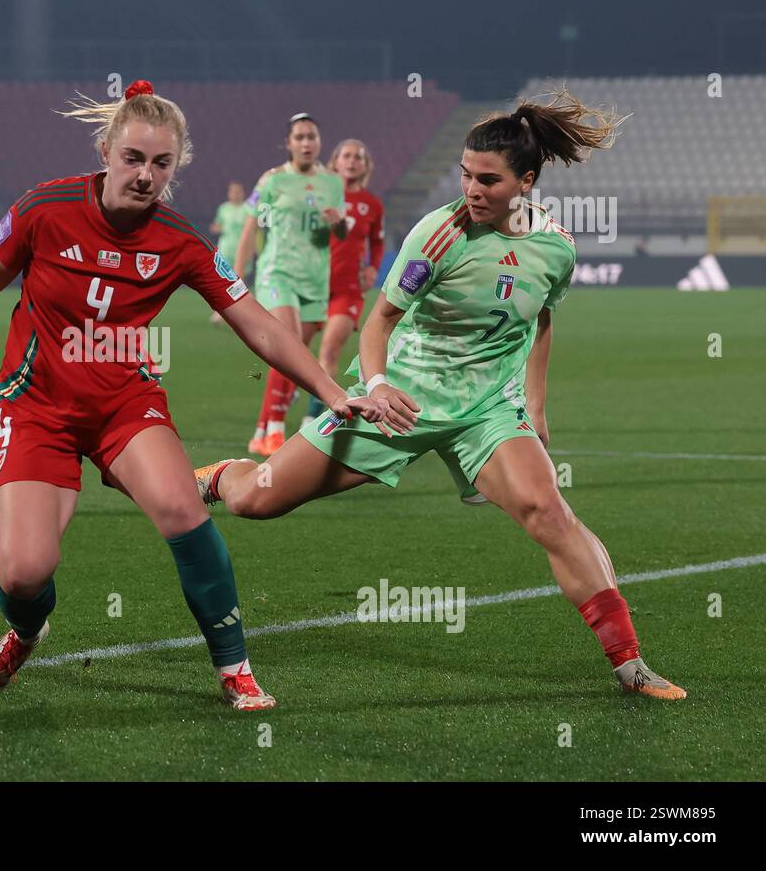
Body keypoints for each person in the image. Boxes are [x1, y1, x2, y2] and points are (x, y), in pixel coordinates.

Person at [196, 92, 686, 700]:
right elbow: (379, 324)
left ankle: (629, 664)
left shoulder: (556, 247)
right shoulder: (437, 234)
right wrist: (374, 387)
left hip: (485, 410)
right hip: (400, 401)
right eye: (464, 174)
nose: (471, 189)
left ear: (526, 182)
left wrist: (535, 404)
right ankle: (221, 477)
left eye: (488, 179)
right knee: (258, 502)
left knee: (549, 512)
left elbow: (541, 319)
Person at [0, 80, 386, 710]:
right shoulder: (45, 208)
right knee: (24, 572)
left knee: (183, 513)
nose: (145, 175)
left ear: (176, 165)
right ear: (107, 149)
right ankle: (25, 634)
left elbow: (260, 326)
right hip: (36, 407)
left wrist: (331, 391)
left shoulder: (180, 241)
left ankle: (234, 668)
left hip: (123, 406)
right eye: (134, 158)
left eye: (161, 164)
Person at [233, 115, 345, 456]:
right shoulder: (273, 181)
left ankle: (262, 428)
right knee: (290, 340)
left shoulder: (333, 183)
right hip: (277, 273)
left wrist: (338, 224)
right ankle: (276, 432)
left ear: (319, 142)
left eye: (312, 136)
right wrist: (234, 280)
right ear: (289, 143)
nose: (307, 143)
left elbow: (339, 234)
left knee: (290, 358)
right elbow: (251, 229)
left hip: (314, 279)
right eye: (300, 137)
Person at [305, 139, 385, 422]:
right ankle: (273, 415)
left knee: (328, 350)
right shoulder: (317, 197)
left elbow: (377, 243)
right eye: (346, 156)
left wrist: (373, 268)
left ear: (365, 166)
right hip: (311, 286)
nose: (352, 161)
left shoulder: (371, 205)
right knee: (294, 350)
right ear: (335, 161)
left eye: (358, 157)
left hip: (348, 290)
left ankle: (313, 417)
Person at [207, 182, 248, 325]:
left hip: (242, 251)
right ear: (229, 193)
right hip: (225, 249)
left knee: (238, 282)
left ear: (243, 192)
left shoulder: (247, 209)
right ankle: (221, 312)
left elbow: (253, 230)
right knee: (224, 282)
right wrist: (216, 228)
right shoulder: (224, 208)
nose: (236, 194)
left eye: (238, 191)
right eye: (233, 191)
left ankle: (237, 313)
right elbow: (217, 225)